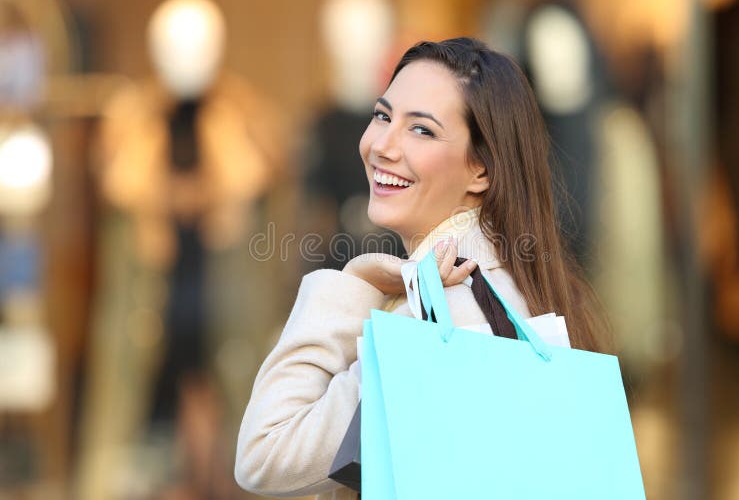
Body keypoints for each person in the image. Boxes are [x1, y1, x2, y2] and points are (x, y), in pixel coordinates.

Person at [235, 37, 610, 499]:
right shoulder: (504, 282)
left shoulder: (440, 315)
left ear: (481, 170)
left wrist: (355, 286)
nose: (383, 146)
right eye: (383, 115)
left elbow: (264, 454)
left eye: (422, 131)